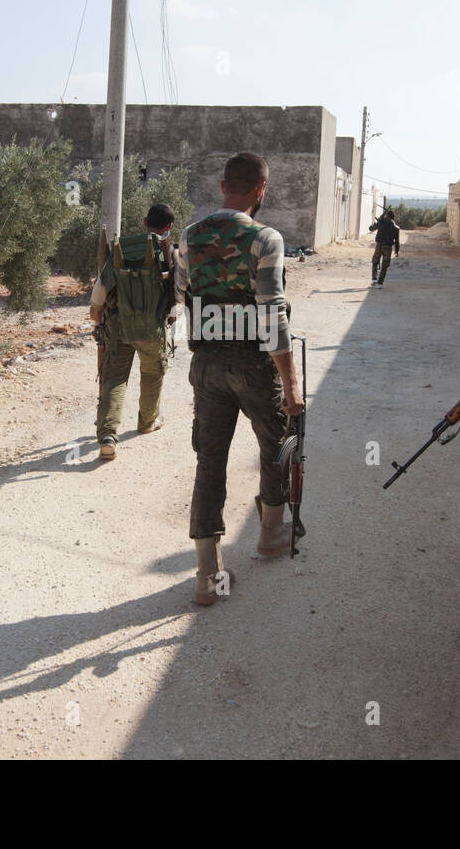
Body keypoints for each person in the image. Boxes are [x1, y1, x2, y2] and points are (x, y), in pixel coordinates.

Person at [178, 152, 304, 606]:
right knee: (277, 448)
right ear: (260, 190)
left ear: (222, 184)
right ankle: (270, 534)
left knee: (209, 462)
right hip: (254, 365)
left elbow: (184, 294)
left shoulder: (190, 236)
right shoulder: (264, 238)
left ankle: (206, 575)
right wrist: (290, 385)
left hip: (207, 365)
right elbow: (272, 313)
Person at [90, 203, 178, 460]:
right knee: (152, 373)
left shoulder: (122, 248)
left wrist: (96, 312)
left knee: (114, 378)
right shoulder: (167, 252)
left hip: (119, 329)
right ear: (169, 227)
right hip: (152, 329)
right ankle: (148, 421)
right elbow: (178, 293)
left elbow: (101, 288)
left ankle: (107, 435)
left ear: (144, 221)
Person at [368, 208, 400, 287]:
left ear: (387, 216)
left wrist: (378, 222)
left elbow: (371, 228)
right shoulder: (396, 228)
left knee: (375, 262)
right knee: (385, 265)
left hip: (379, 246)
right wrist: (396, 251)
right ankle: (380, 283)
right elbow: (397, 241)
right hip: (388, 247)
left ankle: (374, 279)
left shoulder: (381, 223)